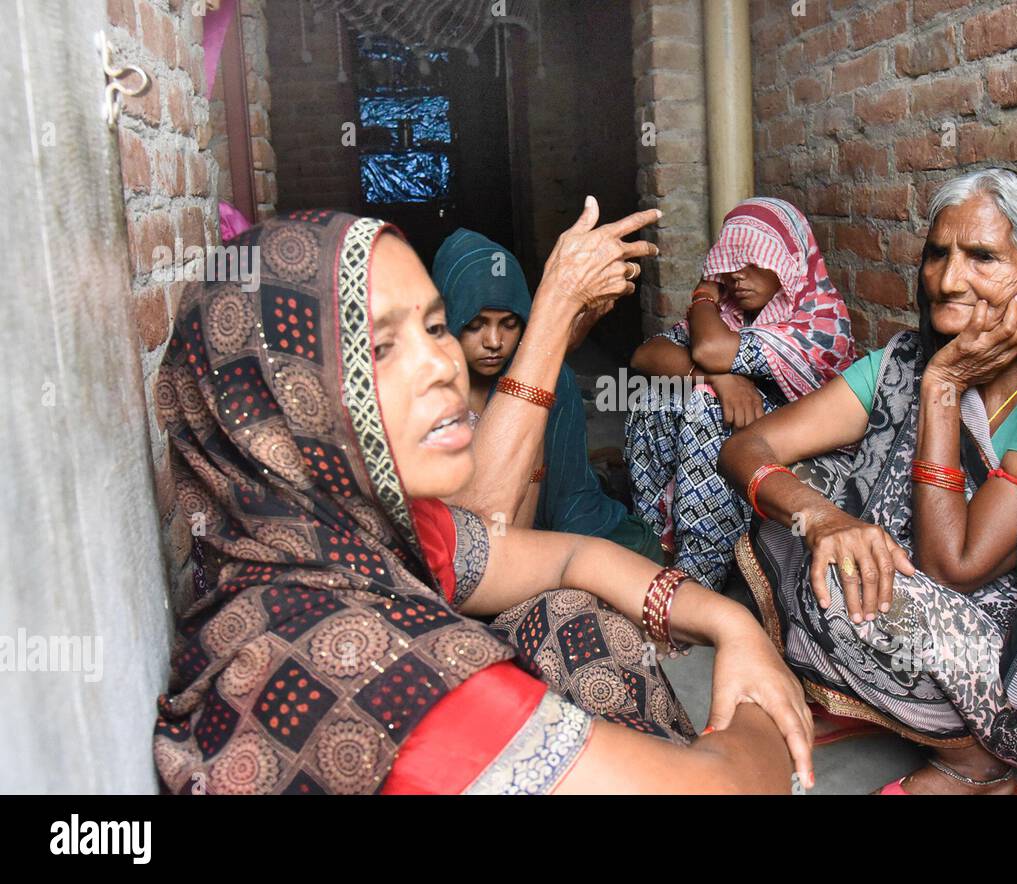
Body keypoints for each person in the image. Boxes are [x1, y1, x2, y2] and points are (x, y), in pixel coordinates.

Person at [151, 204, 814, 794]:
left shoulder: (328, 541)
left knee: (568, 612)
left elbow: (568, 557)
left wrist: (735, 625)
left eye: (435, 327)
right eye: (379, 346)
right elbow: (725, 786)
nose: (442, 364)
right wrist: (761, 699)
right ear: (280, 405)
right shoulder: (382, 674)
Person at [720, 169, 1017, 794]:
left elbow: (950, 564)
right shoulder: (903, 362)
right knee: (798, 492)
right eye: (937, 254)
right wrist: (820, 517)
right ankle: (861, 693)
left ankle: (974, 765)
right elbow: (747, 447)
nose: (948, 279)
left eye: (983, 256)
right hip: (930, 606)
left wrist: (945, 389)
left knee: (864, 589)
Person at [626, 197, 854, 590]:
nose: (737, 277)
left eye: (754, 262)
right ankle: (656, 542)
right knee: (657, 394)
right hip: (744, 430)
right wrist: (719, 378)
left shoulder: (823, 320)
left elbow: (711, 350)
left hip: (810, 450)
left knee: (704, 405)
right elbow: (646, 355)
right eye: (731, 263)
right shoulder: (733, 314)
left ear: (787, 260)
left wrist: (702, 297)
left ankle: (697, 579)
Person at [429, 227, 660, 559]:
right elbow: (475, 526)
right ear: (448, 320)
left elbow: (569, 496)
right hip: (465, 549)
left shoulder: (554, 379)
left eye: (509, 324)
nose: (493, 341)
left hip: (540, 525)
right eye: (475, 325)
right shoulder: (425, 397)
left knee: (634, 550)